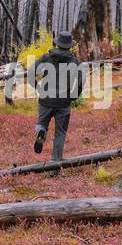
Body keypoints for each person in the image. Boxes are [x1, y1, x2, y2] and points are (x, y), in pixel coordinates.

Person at [28, 31, 83, 162]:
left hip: (45, 99)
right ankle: (55, 163)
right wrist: (73, 96)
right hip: (64, 102)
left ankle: (41, 132)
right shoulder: (75, 62)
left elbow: (31, 72)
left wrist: (38, 87)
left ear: (57, 44)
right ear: (70, 46)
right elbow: (81, 81)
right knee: (60, 133)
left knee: (42, 123)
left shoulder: (47, 57)